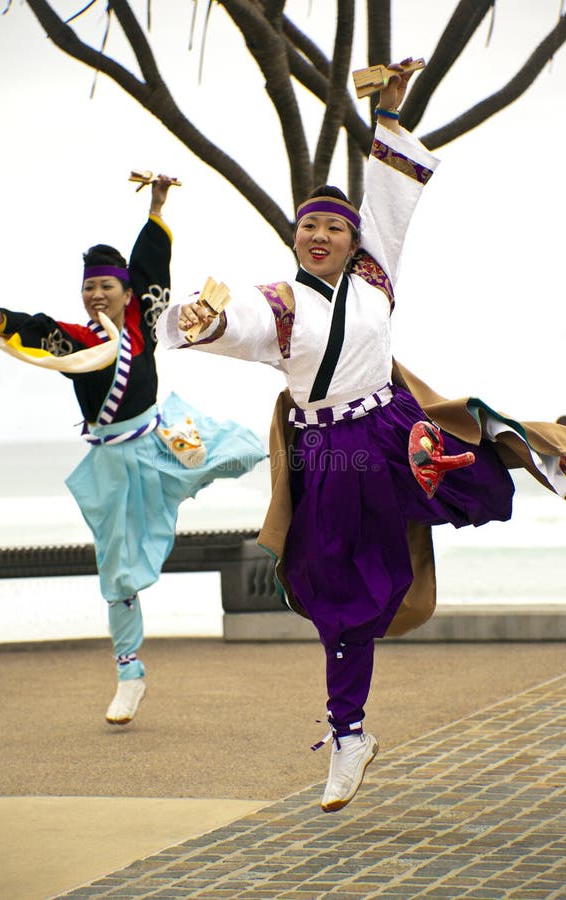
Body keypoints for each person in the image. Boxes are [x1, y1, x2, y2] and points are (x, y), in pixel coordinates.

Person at [156, 61, 566, 812]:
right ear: (295, 237)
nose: (319, 235)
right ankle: (348, 735)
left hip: (395, 431)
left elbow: (387, 202)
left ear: (353, 243)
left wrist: (388, 117)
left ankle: (547, 449)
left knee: (481, 476)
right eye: (309, 226)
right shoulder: (280, 304)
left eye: (334, 228)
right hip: (333, 458)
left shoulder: (375, 279)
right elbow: (238, 316)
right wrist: (203, 320)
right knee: (340, 600)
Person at [0, 175, 266, 726]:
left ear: (127, 293)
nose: (96, 294)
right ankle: (130, 673)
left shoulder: (141, 326)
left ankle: (298, 498)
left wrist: (156, 207)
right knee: (119, 571)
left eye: (107, 285)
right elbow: (32, 328)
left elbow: (150, 267)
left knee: (247, 449)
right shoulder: (75, 343)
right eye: (89, 287)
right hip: (113, 464)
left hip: (164, 439)